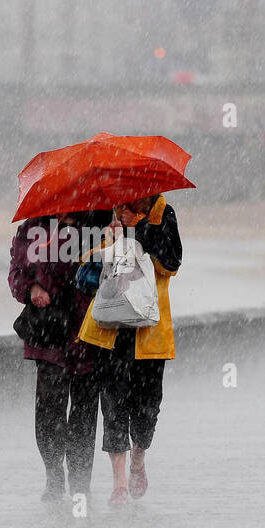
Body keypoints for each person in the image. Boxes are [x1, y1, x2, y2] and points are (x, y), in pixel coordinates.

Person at [77, 194, 182, 504]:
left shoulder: (163, 213)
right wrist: (108, 246)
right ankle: (119, 482)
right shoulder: (107, 212)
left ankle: (138, 459)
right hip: (111, 329)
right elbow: (83, 270)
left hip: (149, 328)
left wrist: (140, 230)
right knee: (113, 403)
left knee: (148, 406)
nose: (123, 207)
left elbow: (171, 263)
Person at [8, 210, 107, 501]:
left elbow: (116, 271)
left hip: (90, 331)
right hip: (50, 334)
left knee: (85, 413)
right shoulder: (33, 229)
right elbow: (16, 274)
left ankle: (80, 483)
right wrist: (32, 288)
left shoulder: (101, 224)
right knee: (49, 411)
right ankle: (53, 474)